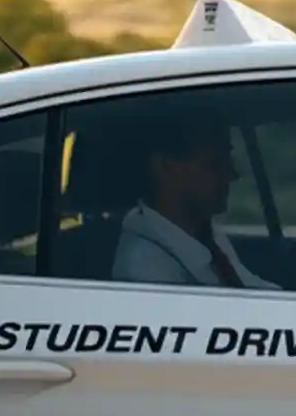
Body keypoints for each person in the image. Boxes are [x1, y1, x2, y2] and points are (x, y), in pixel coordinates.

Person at [111, 111, 279, 289]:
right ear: (165, 167)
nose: (232, 174)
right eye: (215, 163)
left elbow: (253, 288)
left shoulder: (206, 237)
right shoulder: (145, 267)